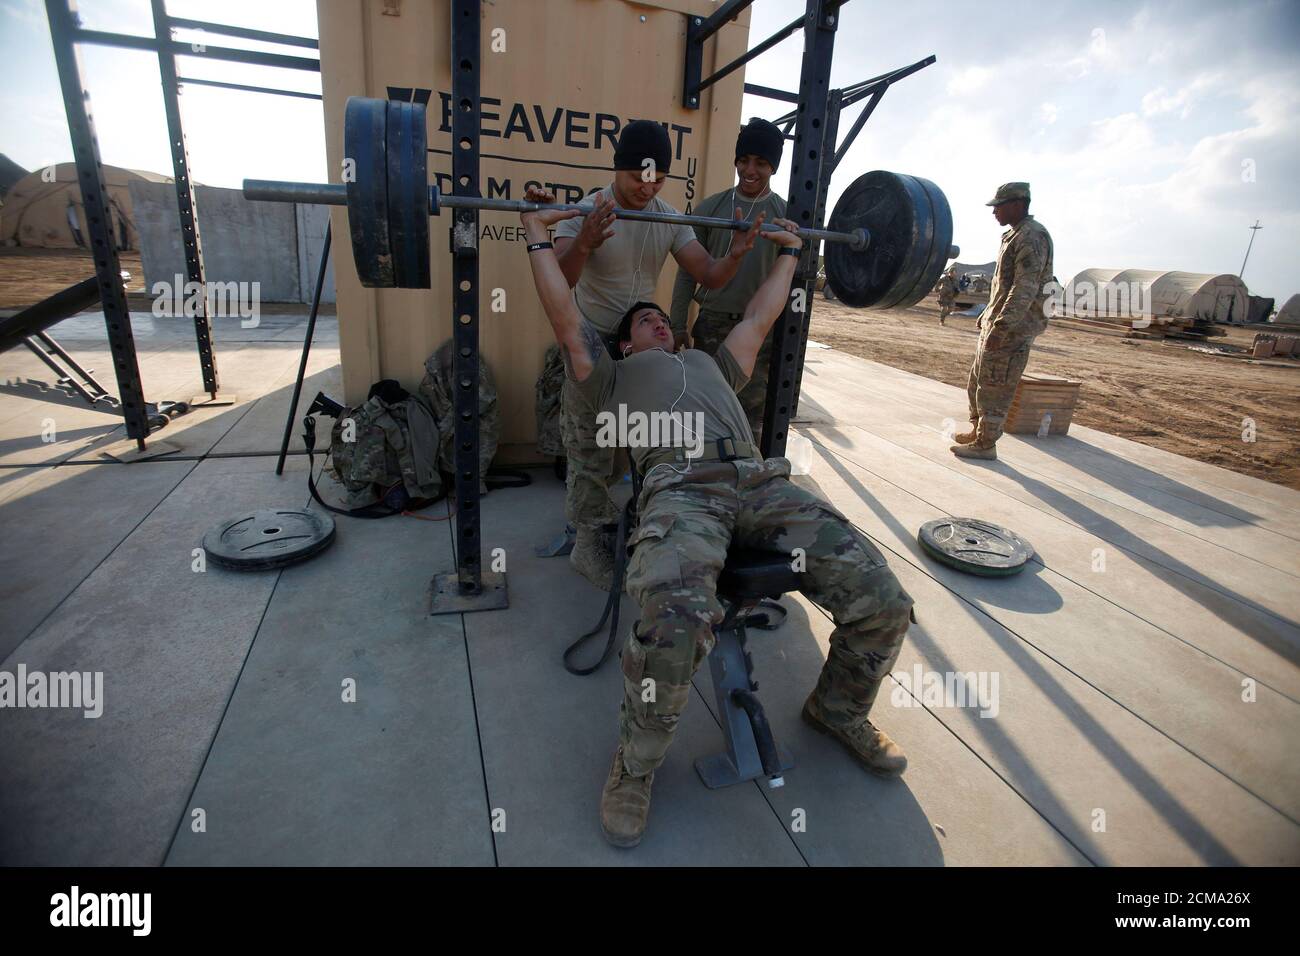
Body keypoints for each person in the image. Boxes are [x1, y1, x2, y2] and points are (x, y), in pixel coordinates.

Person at [520, 186, 915, 849]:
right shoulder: (609, 379)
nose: (659, 323)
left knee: (883, 596)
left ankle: (837, 709)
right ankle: (635, 766)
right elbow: (563, 315)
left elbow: (759, 320)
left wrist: (790, 254)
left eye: (663, 319)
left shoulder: (708, 363)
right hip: (682, 488)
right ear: (622, 343)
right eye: (645, 321)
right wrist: (538, 236)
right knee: (673, 625)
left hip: (760, 481)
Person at [551, 121, 760, 590]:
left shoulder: (667, 216)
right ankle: (587, 542)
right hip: (594, 343)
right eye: (637, 177)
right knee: (589, 444)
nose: (647, 188)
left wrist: (737, 255)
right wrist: (585, 241)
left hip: (643, 348)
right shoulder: (588, 209)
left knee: (639, 444)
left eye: (657, 179)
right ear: (617, 168)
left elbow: (707, 272)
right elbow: (560, 277)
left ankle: (653, 529)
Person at [669, 118, 788, 444]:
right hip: (712, 327)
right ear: (736, 161)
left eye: (761, 163)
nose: (750, 169)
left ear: (773, 167)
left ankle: (746, 483)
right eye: (744, 160)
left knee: (751, 421)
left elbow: (791, 278)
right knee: (705, 415)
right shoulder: (712, 208)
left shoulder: (784, 217)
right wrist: (677, 323)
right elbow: (686, 272)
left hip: (760, 331)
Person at [953, 182, 1055, 460]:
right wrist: (987, 317)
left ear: (1019, 204)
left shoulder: (1032, 237)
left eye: (999, 206)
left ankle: (986, 445)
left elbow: (1025, 288)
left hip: (1013, 328)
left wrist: (1002, 326)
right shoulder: (1015, 235)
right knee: (978, 381)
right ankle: (978, 432)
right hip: (998, 324)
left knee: (996, 386)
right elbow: (1003, 285)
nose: (994, 211)